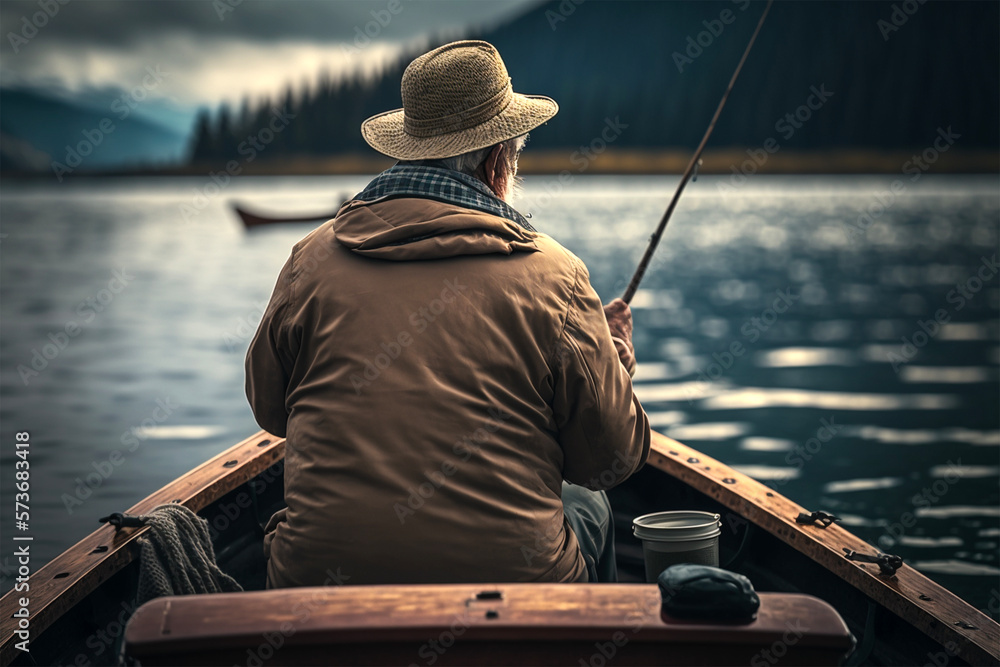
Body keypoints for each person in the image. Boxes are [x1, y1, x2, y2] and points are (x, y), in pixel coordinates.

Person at [246, 40, 650, 588]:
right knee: (589, 501)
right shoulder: (558, 275)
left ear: (408, 149)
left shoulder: (309, 260)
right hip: (519, 589)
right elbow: (609, 460)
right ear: (498, 160)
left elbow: (270, 410)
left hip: (319, 588)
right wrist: (614, 364)